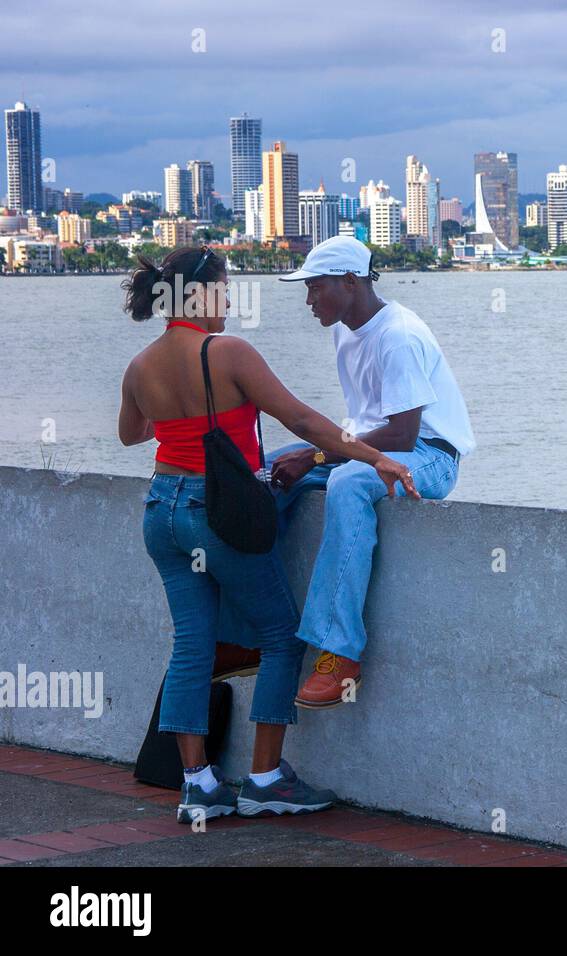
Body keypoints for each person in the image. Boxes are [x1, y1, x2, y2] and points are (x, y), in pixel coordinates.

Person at [118, 246, 419, 823]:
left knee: (191, 645)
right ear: (199, 295)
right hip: (216, 512)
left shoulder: (141, 364)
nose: (229, 300)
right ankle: (265, 779)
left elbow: (134, 433)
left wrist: (182, 412)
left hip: (162, 509)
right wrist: (372, 456)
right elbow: (304, 422)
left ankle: (198, 785)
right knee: (281, 636)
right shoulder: (227, 351)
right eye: (224, 289)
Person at [263, 236, 475, 708]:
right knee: (266, 474)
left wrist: (318, 456)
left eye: (316, 288)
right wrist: (313, 454)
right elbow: (365, 430)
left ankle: (339, 653)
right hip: (369, 445)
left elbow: (401, 435)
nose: (309, 300)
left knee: (349, 480)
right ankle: (254, 624)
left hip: (430, 457)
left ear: (351, 282)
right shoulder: (347, 327)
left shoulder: (397, 335)